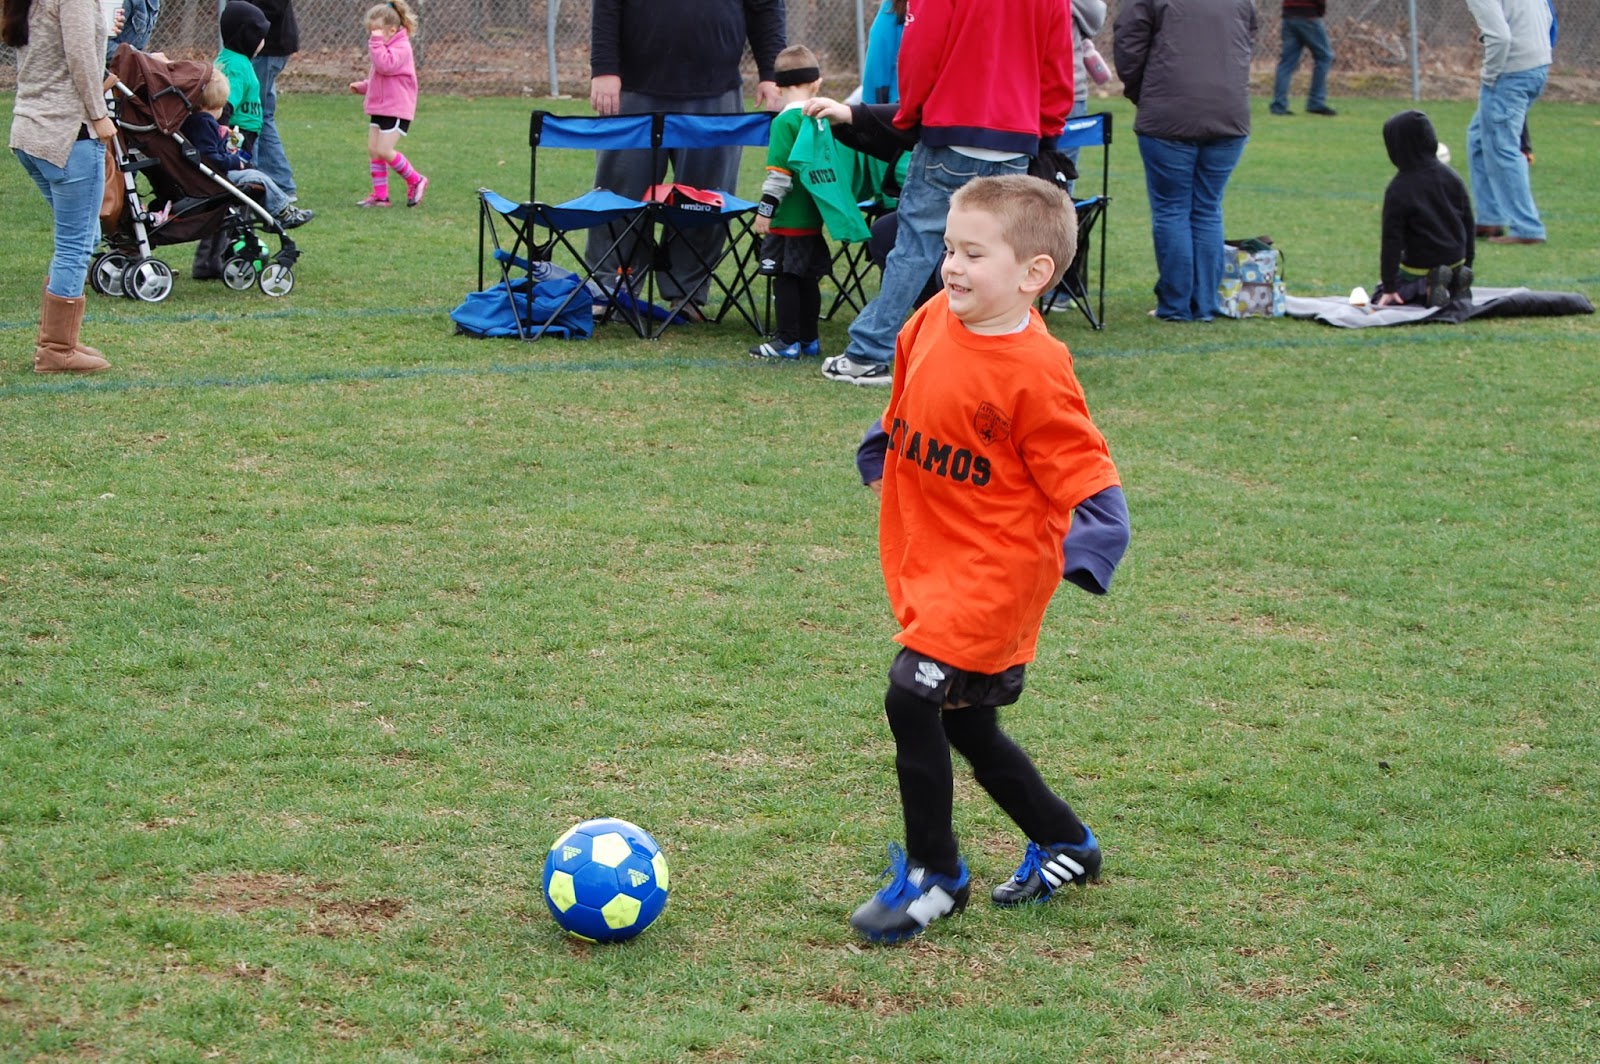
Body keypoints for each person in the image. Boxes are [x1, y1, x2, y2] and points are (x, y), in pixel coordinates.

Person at [845, 174, 1128, 944]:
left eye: (973, 253)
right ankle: (1066, 840)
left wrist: (1097, 541)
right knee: (967, 727)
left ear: (1033, 273)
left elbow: (1087, 471)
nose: (952, 267)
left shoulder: (1037, 371)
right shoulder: (935, 316)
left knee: (912, 695)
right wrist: (883, 439)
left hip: (997, 574)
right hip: (932, 558)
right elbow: (909, 388)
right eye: (948, 249)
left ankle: (936, 876)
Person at [816, 0, 1074, 387]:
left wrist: (910, 115)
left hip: (952, 131)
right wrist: (1047, 129)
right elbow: (1057, 62)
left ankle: (869, 352)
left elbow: (921, 50)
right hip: (1015, 137)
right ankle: (996, 348)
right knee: (1003, 253)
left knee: (915, 247)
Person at [586, 0, 785, 317]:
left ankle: (687, 291)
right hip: (636, 88)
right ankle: (611, 286)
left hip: (716, 90)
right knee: (620, 191)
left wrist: (772, 73)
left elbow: (766, 7)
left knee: (704, 198)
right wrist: (604, 68)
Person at [1114, 0, 1256, 323]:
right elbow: (1245, 40)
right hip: (1228, 114)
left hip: (1169, 116)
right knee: (1207, 208)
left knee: (1172, 209)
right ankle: (1204, 303)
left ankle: (1177, 305)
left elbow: (1128, 42)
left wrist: (1144, 92)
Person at [7, 0, 117, 374]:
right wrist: (99, 115)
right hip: (69, 134)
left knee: (83, 236)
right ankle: (56, 349)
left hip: (29, 130)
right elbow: (81, 56)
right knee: (75, 242)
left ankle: (58, 338)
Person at [747, 46, 831, 361]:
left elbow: (780, 176)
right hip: (813, 218)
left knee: (785, 279)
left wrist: (765, 211)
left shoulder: (784, 123)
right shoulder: (821, 119)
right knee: (808, 279)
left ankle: (787, 340)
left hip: (788, 219)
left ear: (778, 87)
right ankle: (809, 339)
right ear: (817, 84)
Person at [1466, 0, 1553, 246]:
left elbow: (1499, 37)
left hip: (1510, 74)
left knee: (1503, 148)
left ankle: (1527, 229)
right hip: (1537, 67)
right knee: (1478, 139)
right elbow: (1547, 16)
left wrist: (1490, 74)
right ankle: (1490, 218)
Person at [182, 69, 310, 229]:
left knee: (255, 176)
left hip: (213, 175)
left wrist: (222, 139)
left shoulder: (195, 122)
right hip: (217, 177)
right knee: (258, 177)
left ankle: (273, 214)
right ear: (213, 106)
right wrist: (234, 160)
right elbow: (209, 158)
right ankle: (282, 212)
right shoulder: (203, 124)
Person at [1373, 111, 1474, 309]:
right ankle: (1455, 278)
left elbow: (1392, 240)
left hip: (1421, 262)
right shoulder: (1452, 176)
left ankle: (1429, 286)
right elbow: (1468, 221)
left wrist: (1389, 286)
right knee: (1449, 265)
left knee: (1382, 294)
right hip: (1456, 256)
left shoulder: (1398, 189)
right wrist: (1467, 261)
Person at [349, 0, 428, 208]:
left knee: (385, 149)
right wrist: (365, 86)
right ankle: (381, 196)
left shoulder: (401, 47)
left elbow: (386, 66)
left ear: (392, 30)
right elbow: (382, 77)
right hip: (381, 107)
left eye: (376, 30)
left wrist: (375, 43)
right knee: (374, 150)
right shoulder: (385, 45)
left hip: (397, 109)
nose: (373, 35)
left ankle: (416, 179)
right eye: (370, 31)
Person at [249, 0, 298, 204]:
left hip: (268, 48)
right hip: (268, 48)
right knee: (262, 114)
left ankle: (255, 180)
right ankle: (281, 182)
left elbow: (271, 9)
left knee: (252, 113)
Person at [1270, 0, 1337, 117]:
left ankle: (1279, 105)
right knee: (1325, 57)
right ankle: (1316, 102)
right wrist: (1320, 11)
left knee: (1286, 63)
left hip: (1289, 16)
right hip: (1308, 16)